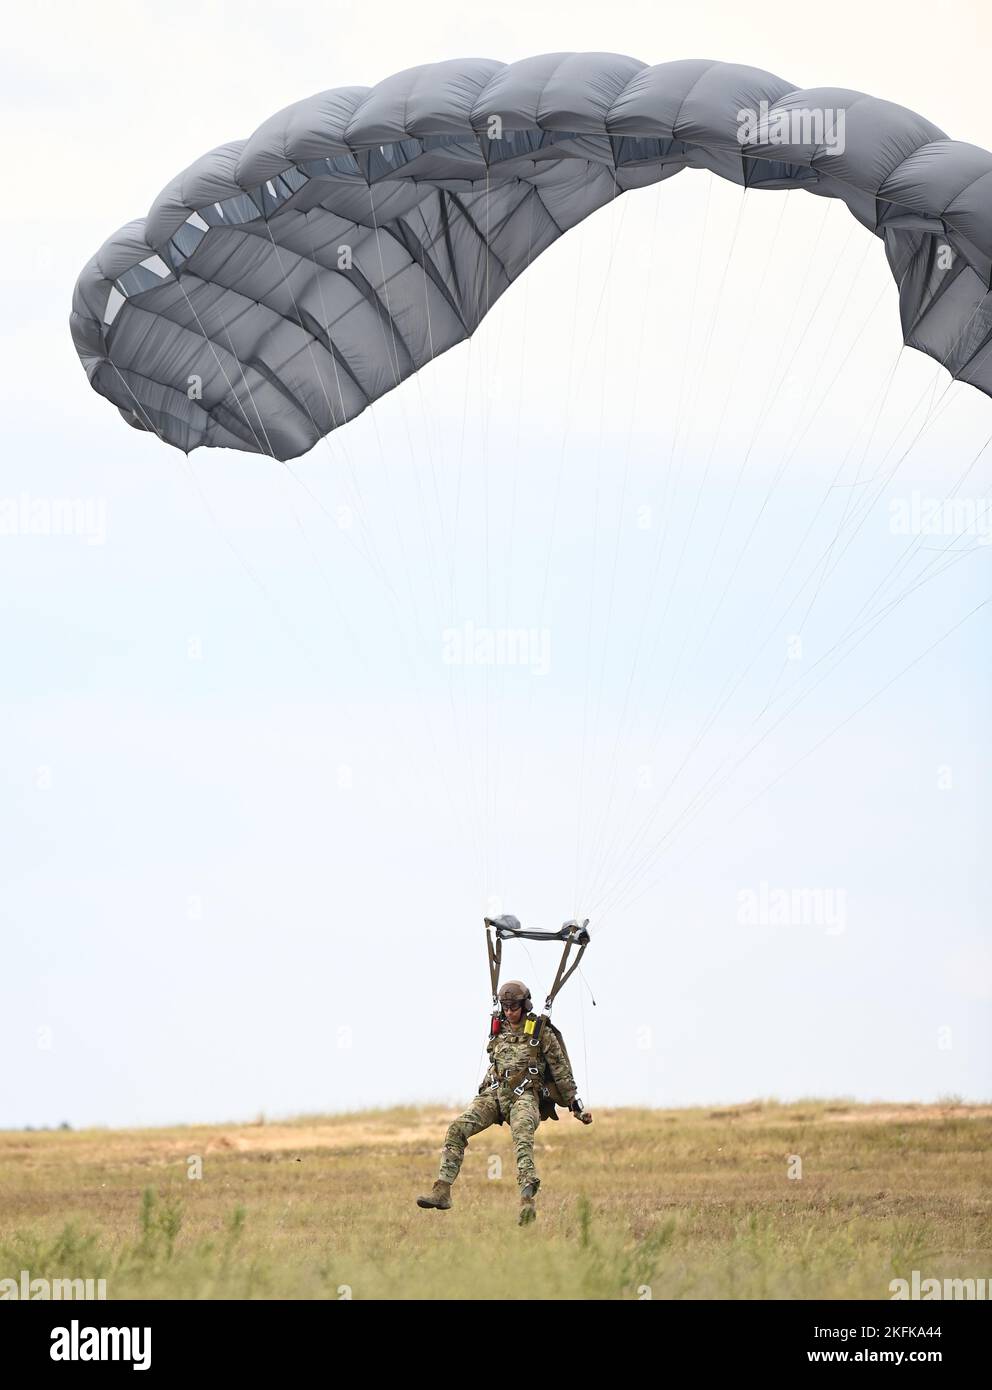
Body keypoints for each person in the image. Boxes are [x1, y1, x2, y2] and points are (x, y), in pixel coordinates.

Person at [417, 980, 593, 1225]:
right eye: (506, 1007)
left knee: (522, 1137)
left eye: (514, 1007)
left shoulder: (540, 1031)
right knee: (457, 1128)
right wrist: (483, 1089)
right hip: (496, 1093)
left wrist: (575, 1104)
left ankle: (527, 1202)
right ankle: (442, 1190)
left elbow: (560, 1070)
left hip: (525, 1096)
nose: (509, 1012)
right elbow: (494, 1062)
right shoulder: (498, 1027)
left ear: (525, 1005)